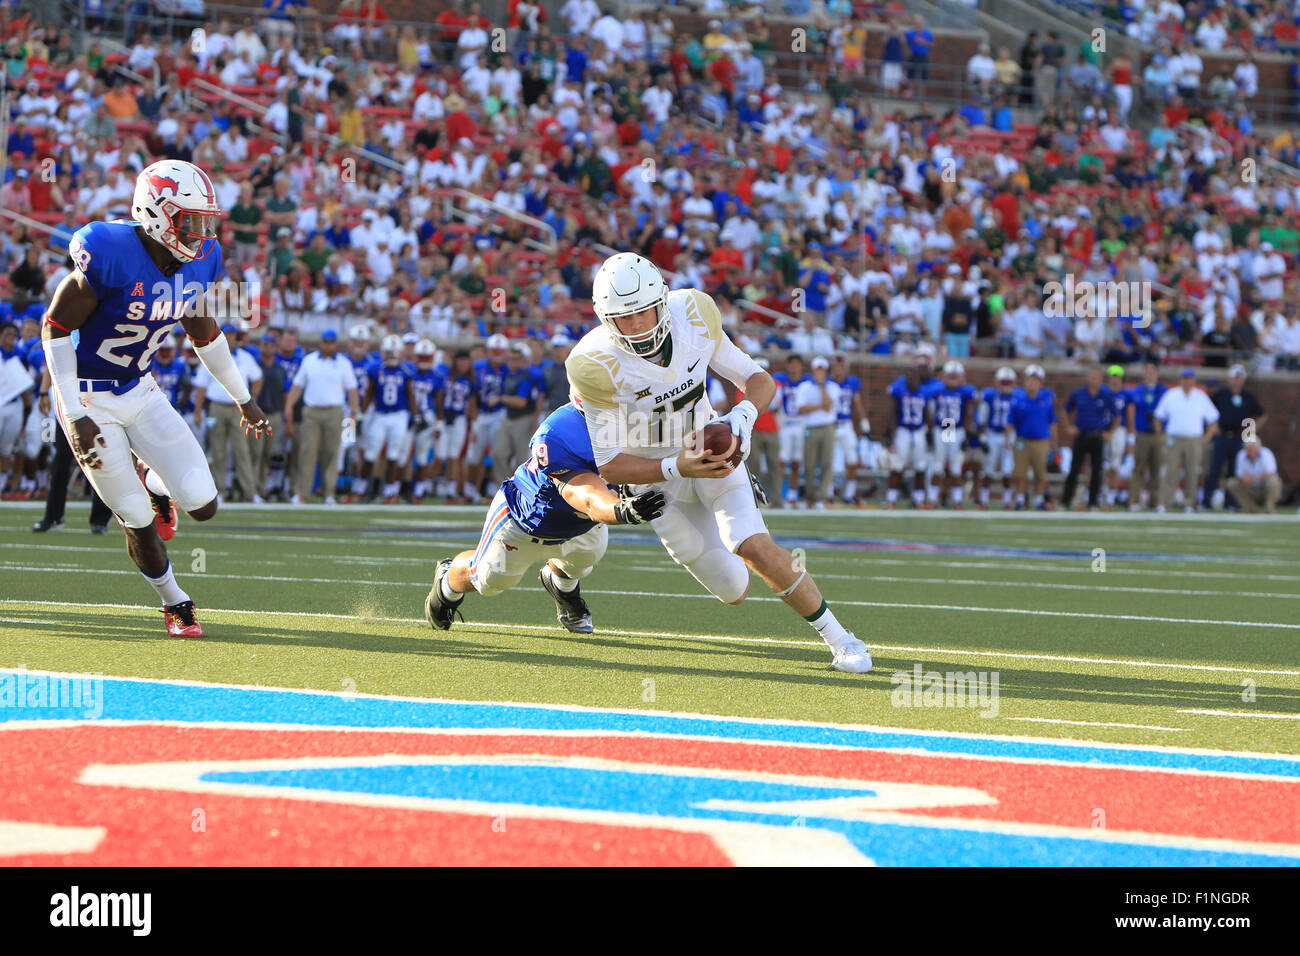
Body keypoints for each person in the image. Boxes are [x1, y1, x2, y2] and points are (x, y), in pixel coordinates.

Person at [565, 252, 872, 673]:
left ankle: (843, 640)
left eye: (644, 312)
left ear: (662, 299)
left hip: (709, 449)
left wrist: (742, 418)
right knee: (733, 588)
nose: (637, 325)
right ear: (605, 319)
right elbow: (612, 465)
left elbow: (758, 379)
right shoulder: (592, 363)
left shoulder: (693, 311)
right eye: (624, 318)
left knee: (751, 543)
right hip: (654, 476)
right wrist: (677, 467)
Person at [41, 159, 271, 637]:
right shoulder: (110, 251)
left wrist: (243, 398)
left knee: (204, 503)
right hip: (88, 395)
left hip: (140, 389)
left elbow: (205, 333)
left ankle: (156, 484)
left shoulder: (201, 261)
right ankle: (176, 602)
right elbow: (56, 328)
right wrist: (76, 413)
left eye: (206, 221)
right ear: (156, 213)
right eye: (191, 221)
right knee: (139, 522)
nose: (202, 234)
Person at [425, 401, 666, 635]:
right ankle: (447, 583)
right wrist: (620, 510)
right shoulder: (560, 432)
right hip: (524, 523)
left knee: (586, 558)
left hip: (584, 522)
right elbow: (585, 496)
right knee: (489, 582)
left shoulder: (640, 421)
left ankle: (562, 588)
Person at [284, 329, 360, 504]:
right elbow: (297, 386)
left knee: (332, 453)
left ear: (336, 344)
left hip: (334, 411)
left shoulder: (343, 363)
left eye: (331, 342)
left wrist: (354, 412)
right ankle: (302, 492)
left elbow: (352, 389)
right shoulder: (309, 361)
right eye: (325, 342)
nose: (328, 345)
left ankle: (329, 493)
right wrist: (289, 406)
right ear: (320, 343)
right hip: (311, 411)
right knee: (307, 452)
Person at [193, 323, 264, 502]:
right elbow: (201, 387)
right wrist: (198, 411)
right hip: (216, 406)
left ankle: (250, 492)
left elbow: (258, 378)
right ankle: (221, 491)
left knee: (242, 451)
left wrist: (251, 400)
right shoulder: (211, 355)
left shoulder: (245, 358)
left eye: (233, 334)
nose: (230, 338)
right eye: (228, 334)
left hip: (238, 409)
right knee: (218, 451)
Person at [360, 334, 419, 502]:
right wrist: (361, 414)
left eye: (395, 353)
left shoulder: (407, 370)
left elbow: (410, 395)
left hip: (399, 415)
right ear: (382, 353)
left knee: (394, 455)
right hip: (379, 414)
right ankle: (361, 489)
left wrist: (416, 416)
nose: (392, 356)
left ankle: (389, 492)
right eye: (389, 352)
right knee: (371, 453)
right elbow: (369, 393)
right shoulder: (375, 369)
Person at [1154, 369, 1220, 513]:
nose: (1187, 381)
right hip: (1174, 438)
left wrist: (1206, 438)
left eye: (1190, 379)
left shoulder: (1201, 397)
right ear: (1181, 380)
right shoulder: (1171, 395)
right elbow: (1158, 416)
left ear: (1194, 381)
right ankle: (1165, 503)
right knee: (1171, 471)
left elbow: (1213, 419)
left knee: (1192, 472)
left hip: (1193, 439)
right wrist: (1161, 435)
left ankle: (1189, 503)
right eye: (1185, 378)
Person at [1204, 364, 1266, 511]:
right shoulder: (1221, 395)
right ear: (1229, 378)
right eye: (1234, 378)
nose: (1236, 381)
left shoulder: (1247, 397)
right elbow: (1206, 410)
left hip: (1239, 437)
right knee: (1215, 469)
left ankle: (1230, 503)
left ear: (1243, 379)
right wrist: (1214, 427)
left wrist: (1250, 430)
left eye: (1239, 378)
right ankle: (1206, 502)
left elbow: (1261, 414)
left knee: (1234, 472)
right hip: (1222, 437)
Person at [884, 351, 933, 509]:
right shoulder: (899, 388)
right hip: (904, 431)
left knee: (926, 467)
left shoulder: (929, 390)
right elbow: (892, 412)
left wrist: (934, 435)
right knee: (897, 466)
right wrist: (890, 433)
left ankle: (927, 499)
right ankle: (891, 498)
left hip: (927, 432)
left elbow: (937, 415)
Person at [1061, 366, 1112, 510]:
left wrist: (1110, 432)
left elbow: (1116, 415)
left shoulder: (1105, 395)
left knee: (1097, 471)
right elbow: (1065, 410)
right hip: (1081, 435)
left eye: (1096, 377)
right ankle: (1066, 501)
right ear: (1087, 378)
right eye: (1091, 376)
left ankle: (1093, 503)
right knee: (1074, 469)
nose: (1094, 379)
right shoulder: (1078, 394)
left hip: (1097, 436)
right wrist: (1068, 427)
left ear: (1101, 379)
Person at [928, 360, 977, 508]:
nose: (953, 378)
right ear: (943, 376)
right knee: (937, 466)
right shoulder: (936, 390)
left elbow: (970, 413)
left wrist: (968, 434)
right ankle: (932, 499)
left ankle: (957, 500)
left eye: (956, 375)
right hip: (941, 427)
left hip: (956, 429)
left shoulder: (966, 391)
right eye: (951, 375)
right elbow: (930, 412)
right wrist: (929, 432)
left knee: (955, 467)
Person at [492, 341, 540, 487]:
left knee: (522, 458)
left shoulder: (525, 377)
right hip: (508, 418)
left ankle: (522, 489)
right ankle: (503, 486)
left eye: (515, 359)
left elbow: (521, 402)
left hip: (523, 419)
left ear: (521, 360)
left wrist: (501, 398)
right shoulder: (507, 375)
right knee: (498, 453)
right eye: (510, 359)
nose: (512, 362)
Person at [1008, 364, 1057, 510]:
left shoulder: (1046, 399)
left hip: (1041, 441)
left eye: (1035, 381)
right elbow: (1010, 422)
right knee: (1020, 473)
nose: (1032, 383)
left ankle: (1039, 500)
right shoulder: (1018, 399)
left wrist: (1055, 443)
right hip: (1022, 440)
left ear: (1040, 383)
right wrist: (1008, 439)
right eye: (1029, 380)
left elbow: (1053, 422)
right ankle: (1020, 499)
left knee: (1040, 473)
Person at [797, 356, 839, 510]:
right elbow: (801, 408)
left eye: (822, 370)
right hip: (811, 427)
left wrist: (822, 387)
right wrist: (819, 406)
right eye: (817, 370)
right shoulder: (804, 386)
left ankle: (821, 497)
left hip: (828, 427)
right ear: (813, 370)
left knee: (827, 463)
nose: (820, 373)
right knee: (809, 464)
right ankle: (809, 498)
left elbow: (828, 406)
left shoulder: (833, 387)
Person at [250, 332, 286, 500]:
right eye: (265, 344)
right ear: (260, 346)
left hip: (274, 414)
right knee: (255, 453)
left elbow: (284, 392)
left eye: (271, 344)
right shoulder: (254, 365)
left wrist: (286, 413)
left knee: (267, 454)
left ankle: (261, 486)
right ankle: (252, 488)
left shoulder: (280, 368)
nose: (268, 347)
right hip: (257, 413)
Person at [978, 366, 1020, 509]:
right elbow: (982, 418)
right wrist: (983, 437)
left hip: (1011, 435)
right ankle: (984, 500)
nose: (1006, 385)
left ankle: (1007, 501)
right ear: (997, 382)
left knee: (1007, 469)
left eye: (1009, 382)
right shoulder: (989, 396)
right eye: (1004, 382)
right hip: (993, 434)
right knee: (988, 468)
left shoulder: (1018, 396)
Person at [1128, 360, 1167, 511]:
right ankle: (1134, 500)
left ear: (1157, 374)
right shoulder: (1138, 391)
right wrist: (1132, 433)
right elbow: (1131, 411)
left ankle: (1156, 501)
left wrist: (1164, 432)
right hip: (1142, 434)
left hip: (1157, 435)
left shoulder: (1163, 391)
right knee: (1139, 468)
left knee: (1157, 469)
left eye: (1153, 371)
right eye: (1148, 372)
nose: (1150, 375)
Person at [830, 354, 867, 505]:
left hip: (846, 425)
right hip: (830, 425)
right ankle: (829, 493)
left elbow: (857, 403)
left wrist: (864, 421)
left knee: (852, 460)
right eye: (836, 367)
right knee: (830, 461)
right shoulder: (827, 383)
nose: (838, 370)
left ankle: (849, 494)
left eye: (841, 367)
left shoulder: (852, 383)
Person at [1226, 439, 1282, 514]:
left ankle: (1269, 507)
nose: (1251, 451)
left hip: (1265, 487)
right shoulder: (1241, 455)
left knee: (1273, 481)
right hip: (1250, 488)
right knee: (1231, 483)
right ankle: (1250, 508)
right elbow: (1239, 474)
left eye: (1253, 448)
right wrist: (1245, 479)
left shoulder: (1266, 453)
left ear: (1258, 447)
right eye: (1249, 449)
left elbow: (1272, 473)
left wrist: (1255, 478)